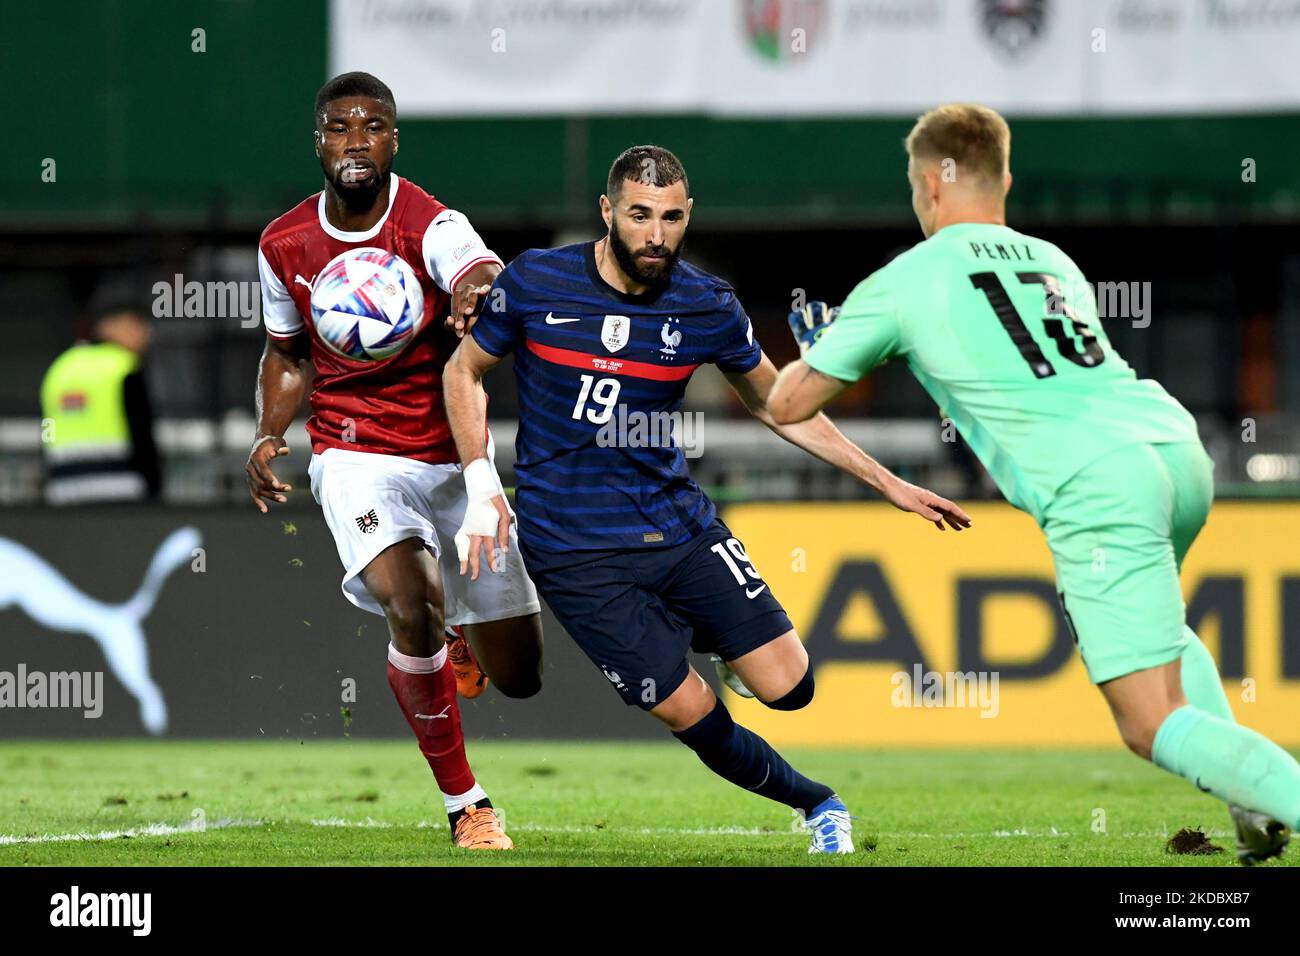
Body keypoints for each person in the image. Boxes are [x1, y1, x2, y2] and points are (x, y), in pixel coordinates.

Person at [767, 102, 1297, 865]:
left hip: (1097, 481)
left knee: (1149, 724)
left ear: (926, 184)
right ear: (1005, 177)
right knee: (1167, 638)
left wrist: (818, 344)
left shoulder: (905, 278)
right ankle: (1251, 801)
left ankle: (1279, 794)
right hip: (1172, 447)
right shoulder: (1053, 261)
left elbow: (788, 404)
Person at [443, 145, 970, 854]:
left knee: (791, 686)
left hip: (676, 524)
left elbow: (778, 403)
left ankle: (714, 639)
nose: (655, 234)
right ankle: (818, 804)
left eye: (669, 218)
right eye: (638, 215)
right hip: (572, 548)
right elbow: (463, 371)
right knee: (688, 708)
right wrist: (480, 483)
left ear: (687, 217)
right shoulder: (536, 283)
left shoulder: (707, 303)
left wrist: (889, 483)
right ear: (607, 213)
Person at [248, 71, 544, 850]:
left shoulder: (430, 223)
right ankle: (467, 804)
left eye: (372, 126)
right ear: (318, 141)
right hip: (353, 454)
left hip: (453, 462)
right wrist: (269, 432)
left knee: (519, 676)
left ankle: (455, 642)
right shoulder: (283, 244)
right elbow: (285, 354)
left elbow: (480, 269)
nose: (355, 140)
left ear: (393, 141)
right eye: (339, 126)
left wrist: (480, 291)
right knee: (408, 600)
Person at [41, 307, 161, 506]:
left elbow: (47, 427)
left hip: (63, 487)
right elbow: (140, 431)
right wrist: (154, 487)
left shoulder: (60, 368)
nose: (145, 335)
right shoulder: (123, 366)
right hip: (119, 486)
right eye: (138, 326)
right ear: (110, 326)